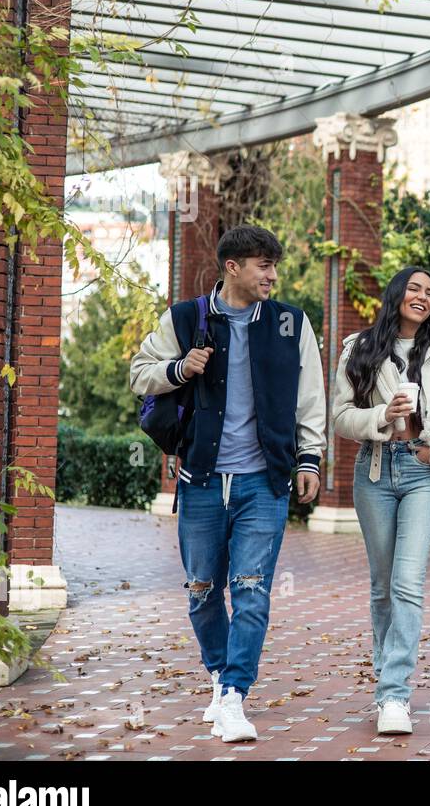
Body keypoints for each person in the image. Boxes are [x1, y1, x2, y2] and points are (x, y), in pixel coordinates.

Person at [129, 224, 326, 743]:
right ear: (233, 268)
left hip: (264, 482)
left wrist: (309, 460)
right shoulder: (185, 318)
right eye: (264, 265)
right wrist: (179, 368)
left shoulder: (290, 323)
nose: (273, 275)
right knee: (201, 591)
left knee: (251, 589)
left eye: (274, 265)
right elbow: (138, 373)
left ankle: (236, 694)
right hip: (199, 480)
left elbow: (310, 398)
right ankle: (218, 676)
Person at [331, 266, 430, 735]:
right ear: (396, 293)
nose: (423, 297)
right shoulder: (359, 350)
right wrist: (382, 413)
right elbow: (339, 416)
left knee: (407, 583)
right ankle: (386, 678)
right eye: (414, 288)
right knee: (381, 586)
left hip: (423, 473)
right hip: (374, 470)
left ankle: (394, 695)